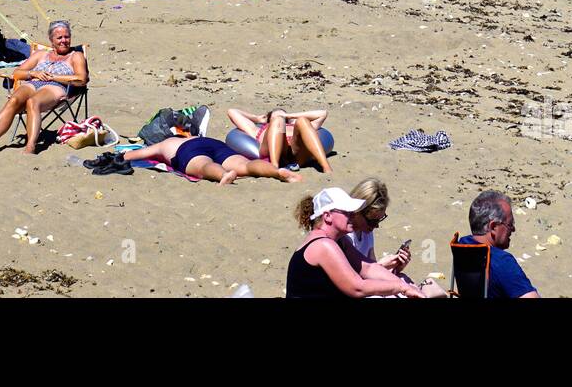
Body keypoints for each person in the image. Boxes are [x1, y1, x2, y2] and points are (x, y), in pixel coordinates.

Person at [287, 188, 422, 298]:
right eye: (347, 212)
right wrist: (402, 287)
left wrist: (404, 286)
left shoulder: (339, 241)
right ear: (327, 216)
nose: (353, 216)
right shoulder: (323, 245)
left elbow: (368, 267)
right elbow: (357, 288)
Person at [0, 20, 87, 154]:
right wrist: (34, 73)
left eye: (67, 37)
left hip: (56, 86)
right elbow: (17, 73)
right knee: (13, 101)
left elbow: (81, 78)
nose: (64, 40)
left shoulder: (75, 56)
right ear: (51, 40)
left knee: (33, 102)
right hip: (33, 83)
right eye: (59, 37)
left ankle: (30, 146)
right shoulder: (40, 54)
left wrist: (53, 77)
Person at [456, 190, 540, 298]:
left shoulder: (462, 245)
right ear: (493, 227)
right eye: (510, 224)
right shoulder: (502, 261)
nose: (513, 229)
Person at [120, 135, 301, 184]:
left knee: (205, 165)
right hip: (215, 143)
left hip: (187, 151)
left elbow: (133, 155)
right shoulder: (196, 136)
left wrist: (122, 155)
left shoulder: (166, 143)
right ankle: (276, 172)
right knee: (245, 165)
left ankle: (223, 175)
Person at [225, 108, 333, 173]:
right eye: (275, 114)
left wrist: (288, 116)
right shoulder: (259, 129)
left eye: (282, 115)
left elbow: (323, 113)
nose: (280, 116)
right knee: (278, 122)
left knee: (303, 121)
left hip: (294, 153)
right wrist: (257, 118)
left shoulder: (293, 126)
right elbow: (232, 112)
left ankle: (326, 167)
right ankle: (274, 166)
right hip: (269, 150)